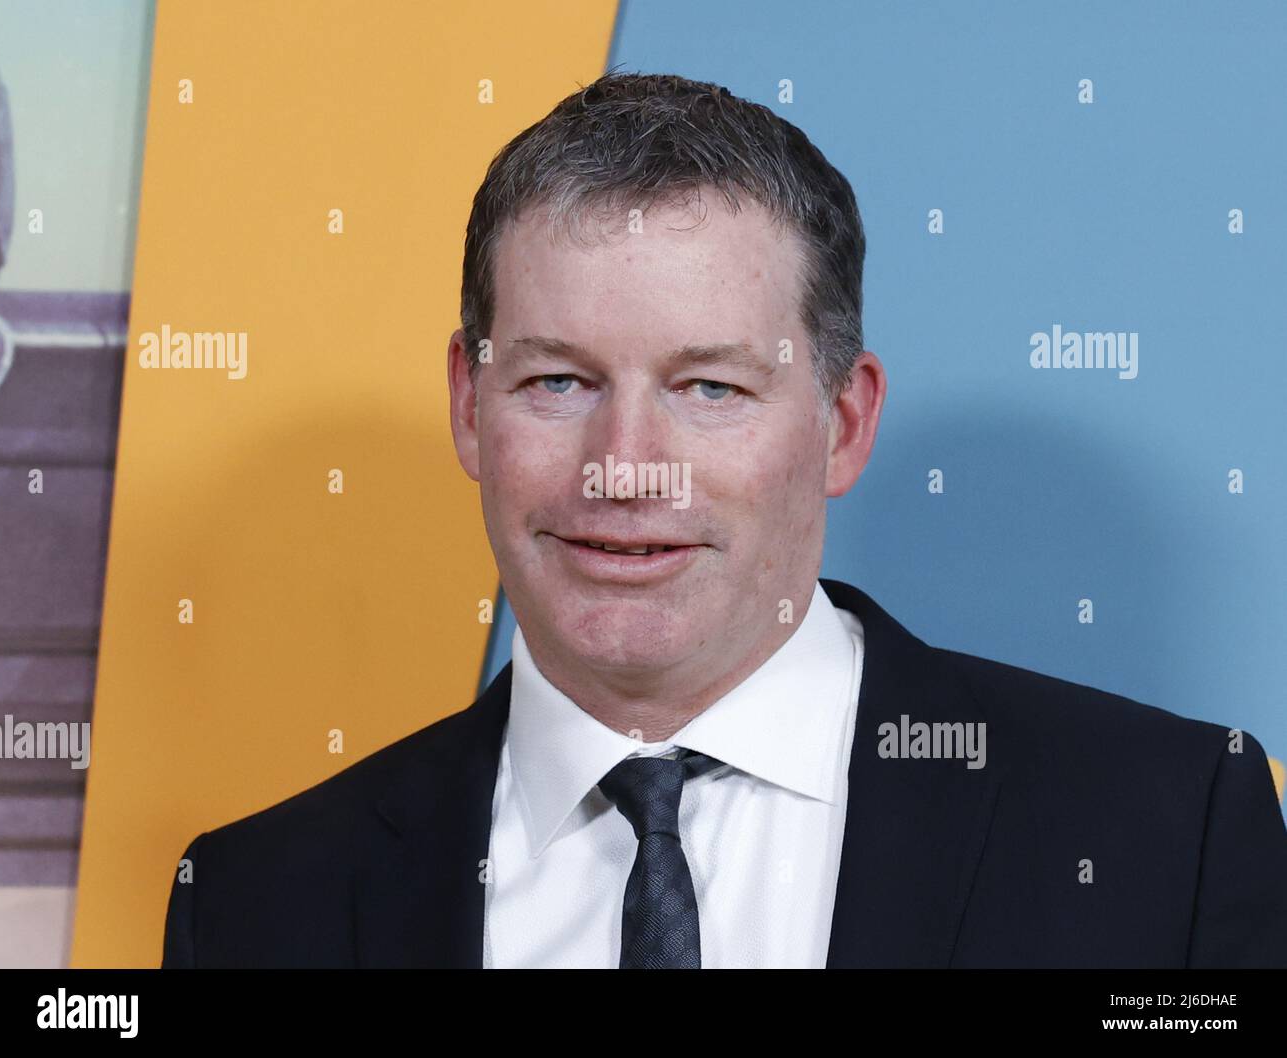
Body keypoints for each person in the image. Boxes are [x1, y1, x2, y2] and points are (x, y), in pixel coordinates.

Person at [161, 71, 1287, 969]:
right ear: (469, 405)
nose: (623, 470)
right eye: (557, 381)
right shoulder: (260, 902)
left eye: (710, 388)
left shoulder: (1161, 833)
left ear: (841, 424)